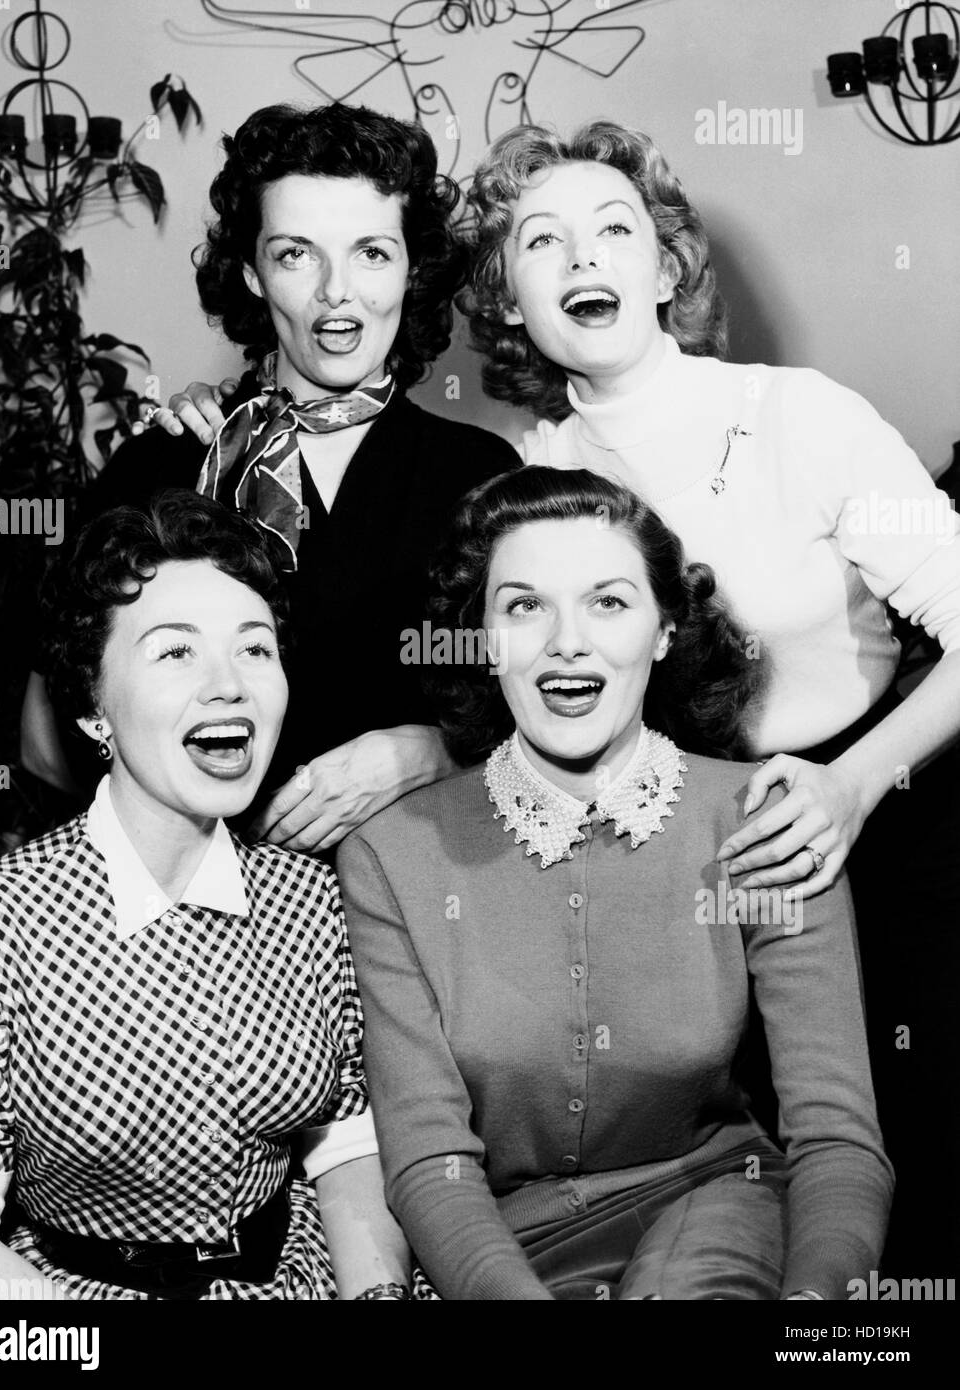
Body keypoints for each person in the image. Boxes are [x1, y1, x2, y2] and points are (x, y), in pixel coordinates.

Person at [458, 121, 960, 1276]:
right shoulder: (531, 492)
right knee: (775, 1188)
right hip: (696, 859)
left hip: (893, 801)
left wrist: (851, 784)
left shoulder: (802, 414)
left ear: (666, 267)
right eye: (541, 240)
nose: (582, 257)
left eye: (614, 229)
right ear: (507, 299)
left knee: (921, 1155)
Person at [335, 466, 893, 1301]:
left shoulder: (768, 817)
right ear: (481, 637)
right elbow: (427, 1159)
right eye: (524, 606)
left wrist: (815, 1319)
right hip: (502, 1253)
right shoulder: (390, 854)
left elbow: (836, 1139)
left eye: (609, 602)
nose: (568, 641)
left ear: (665, 630)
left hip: (717, 1200)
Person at [0, 493, 413, 1301]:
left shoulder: (312, 898)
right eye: (176, 654)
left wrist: (374, 1296)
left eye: (255, 650)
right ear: (93, 704)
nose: (228, 686)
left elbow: (344, 1153)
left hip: (294, 1274)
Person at [21, 103, 520, 853]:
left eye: (371, 254)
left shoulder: (478, 474)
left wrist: (431, 750)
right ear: (252, 273)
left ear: (412, 268)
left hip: (423, 899)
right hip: (202, 916)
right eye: (296, 254)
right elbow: (49, 738)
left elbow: (542, 700)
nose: (336, 292)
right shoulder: (162, 465)